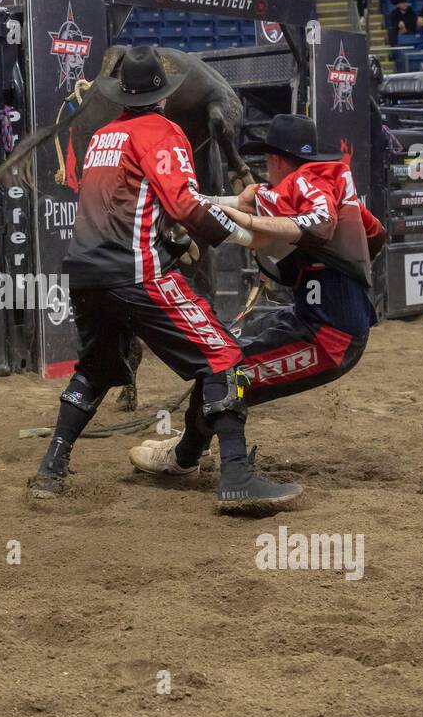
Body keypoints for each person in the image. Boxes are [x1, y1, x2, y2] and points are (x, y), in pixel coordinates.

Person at [27, 47, 304, 512]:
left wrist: (234, 203)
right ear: (163, 93)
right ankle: (237, 474)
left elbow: (155, 200)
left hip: (86, 274)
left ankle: (51, 470)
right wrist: (243, 235)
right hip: (136, 272)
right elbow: (183, 207)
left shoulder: (104, 137)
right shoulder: (165, 132)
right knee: (224, 355)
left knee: (95, 369)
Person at [125, 113, 387, 505]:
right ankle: (187, 454)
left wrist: (246, 221)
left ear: (277, 158)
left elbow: (319, 223)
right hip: (322, 321)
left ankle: (197, 461)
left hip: (328, 337)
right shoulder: (330, 181)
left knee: (226, 372)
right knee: (223, 360)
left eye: (267, 160)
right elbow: (374, 233)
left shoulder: (304, 183)